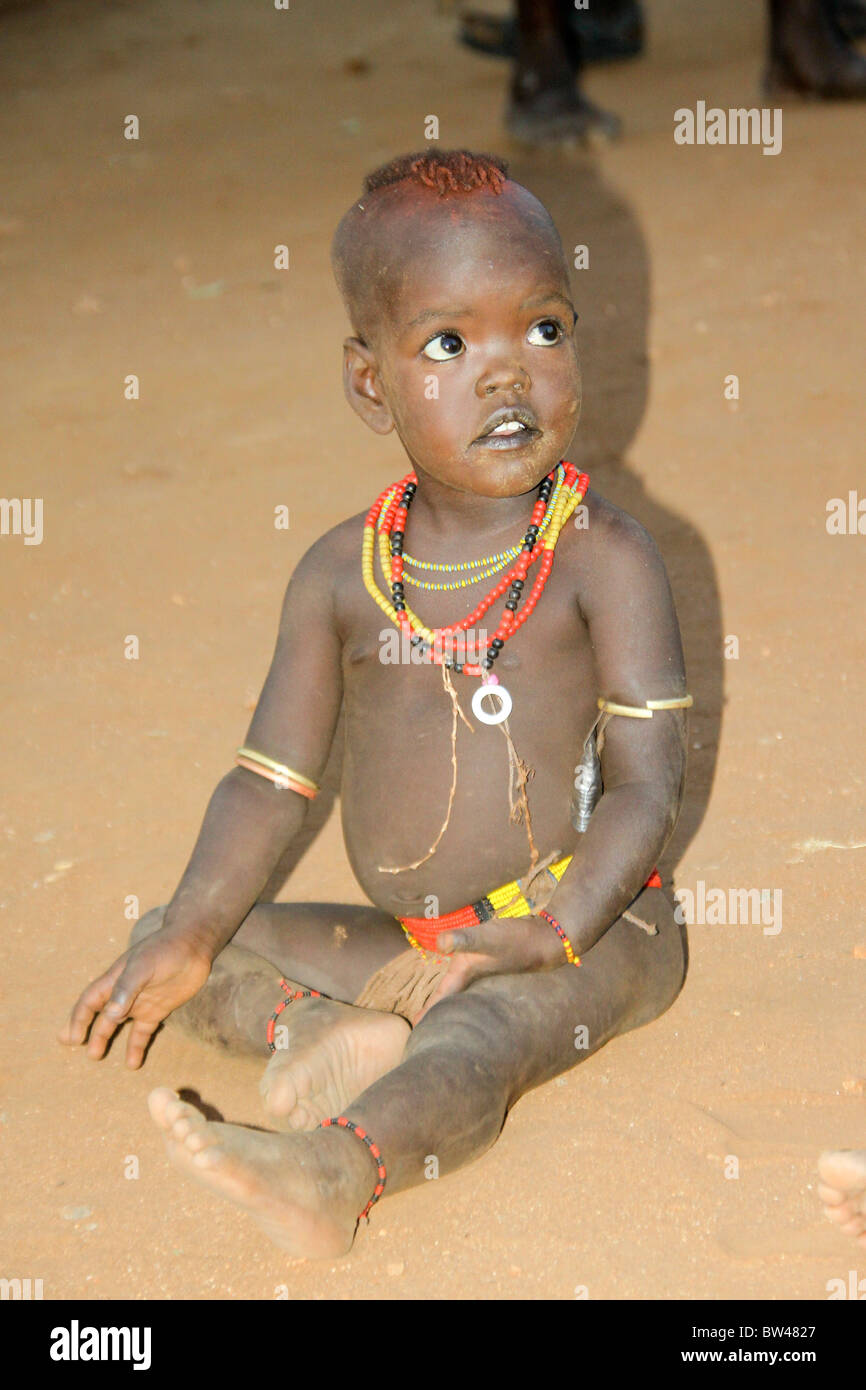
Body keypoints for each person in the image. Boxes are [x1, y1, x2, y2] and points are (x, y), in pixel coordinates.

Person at [60, 149, 691, 1259]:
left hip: (587, 927)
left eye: (542, 329)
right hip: (406, 938)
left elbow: (645, 790)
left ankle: (336, 1168)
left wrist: (536, 936)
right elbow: (267, 782)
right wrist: (198, 926)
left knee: (475, 1035)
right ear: (370, 385)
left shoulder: (604, 558)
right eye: (449, 344)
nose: (508, 376)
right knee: (178, 936)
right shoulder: (335, 576)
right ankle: (317, 1028)